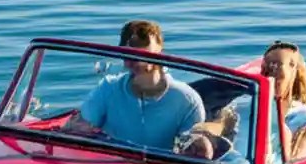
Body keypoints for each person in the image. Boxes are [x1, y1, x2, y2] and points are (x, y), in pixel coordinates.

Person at [64, 20, 205, 151]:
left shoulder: (187, 100)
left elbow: (192, 150)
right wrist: (77, 128)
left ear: (159, 50)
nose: (132, 61)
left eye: (140, 52)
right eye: (126, 54)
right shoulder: (108, 88)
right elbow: (78, 127)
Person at [262, 40, 306, 164]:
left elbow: (296, 161)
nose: (269, 71)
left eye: (275, 65)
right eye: (265, 66)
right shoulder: (249, 104)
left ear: (292, 70)